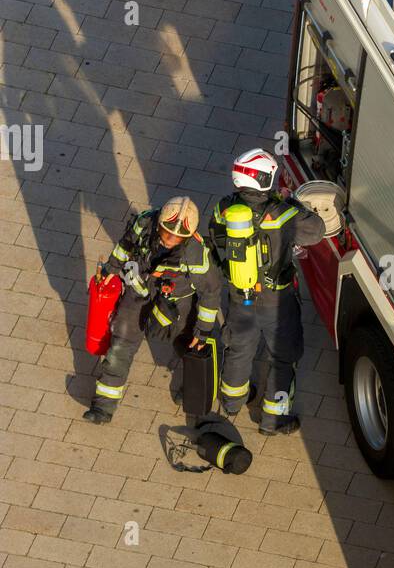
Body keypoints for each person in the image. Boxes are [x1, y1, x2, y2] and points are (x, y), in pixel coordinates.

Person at [209, 148, 325, 435]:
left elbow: (214, 239)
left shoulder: (223, 209)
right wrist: (293, 202)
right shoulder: (283, 214)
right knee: (283, 357)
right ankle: (274, 419)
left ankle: (232, 403)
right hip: (278, 300)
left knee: (238, 350)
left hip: (240, 295)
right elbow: (317, 230)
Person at [84, 197, 221, 424]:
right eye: (167, 232)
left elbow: (211, 292)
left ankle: (192, 392)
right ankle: (103, 406)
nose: (171, 239)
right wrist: (112, 268)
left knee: (188, 345)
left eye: (178, 237)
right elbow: (124, 245)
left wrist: (203, 330)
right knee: (121, 344)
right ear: (159, 223)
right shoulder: (144, 223)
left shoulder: (196, 254)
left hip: (176, 303)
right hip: (138, 291)